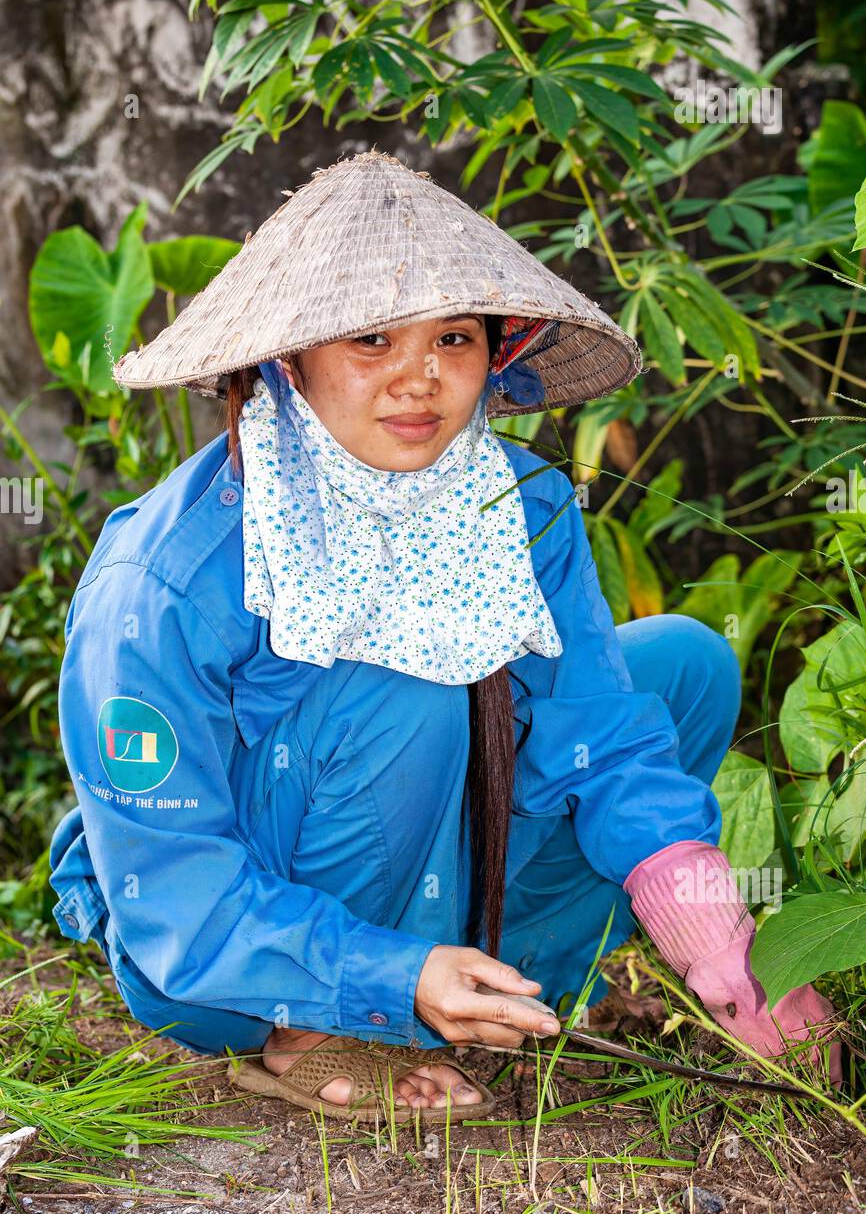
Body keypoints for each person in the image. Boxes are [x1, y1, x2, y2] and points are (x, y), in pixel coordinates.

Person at [48, 150, 842, 1124]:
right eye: (371, 338)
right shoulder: (163, 578)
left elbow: (604, 728)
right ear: (287, 357)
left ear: (493, 353)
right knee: (413, 675)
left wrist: (717, 936)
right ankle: (333, 1017)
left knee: (683, 666)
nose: (418, 380)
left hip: (434, 855)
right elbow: (171, 878)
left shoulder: (521, 502)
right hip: (225, 952)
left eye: (453, 339)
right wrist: (377, 971)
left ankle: (483, 982)